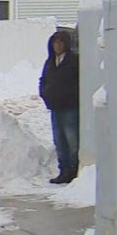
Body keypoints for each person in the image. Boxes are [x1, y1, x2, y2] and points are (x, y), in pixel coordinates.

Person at [39, 30, 80, 184]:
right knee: (59, 140)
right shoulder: (50, 62)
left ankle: (73, 170)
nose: (57, 45)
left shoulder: (74, 61)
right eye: (55, 42)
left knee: (72, 140)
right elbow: (43, 80)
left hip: (70, 107)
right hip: (55, 108)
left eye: (61, 42)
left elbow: (79, 82)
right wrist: (45, 95)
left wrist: (72, 96)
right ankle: (63, 170)